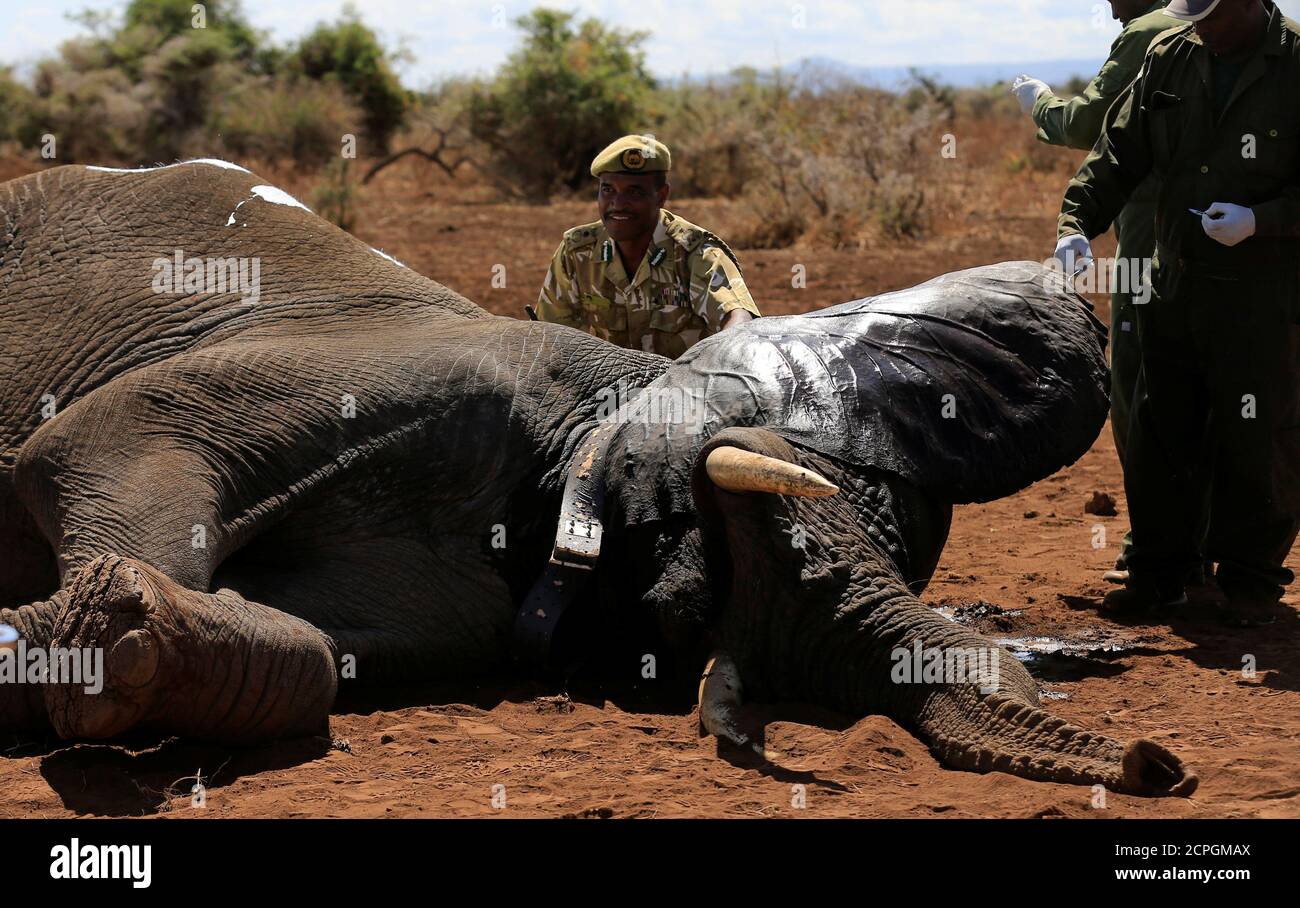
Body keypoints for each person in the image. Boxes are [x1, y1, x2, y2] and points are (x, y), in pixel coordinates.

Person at [1054, 0, 1300, 625]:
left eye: (1212, 15)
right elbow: (1118, 151)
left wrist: (1261, 223)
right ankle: (1159, 576)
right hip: (1175, 286)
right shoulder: (1173, 56)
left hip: (1264, 300)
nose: (1200, 27)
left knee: (1257, 438)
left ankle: (1249, 584)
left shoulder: (1295, 65)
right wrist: (1078, 223)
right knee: (1161, 433)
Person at [1012, 1, 1174, 585]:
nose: (1108, 7)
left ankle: (1154, 549)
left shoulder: (1150, 35)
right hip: (1238, 251)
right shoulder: (1231, 31)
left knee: (1139, 388)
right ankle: (1217, 550)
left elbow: (1091, 126)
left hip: (1152, 241)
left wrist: (1043, 106)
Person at [537, 135, 760, 358]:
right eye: (608, 190)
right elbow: (549, 336)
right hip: (602, 387)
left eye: (634, 192)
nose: (618, 204)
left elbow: (739, 323)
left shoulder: (696, 254)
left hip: (683, 388)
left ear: (661, 196)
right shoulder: (577, 252)